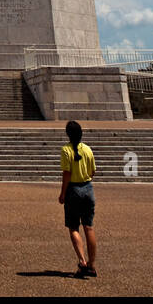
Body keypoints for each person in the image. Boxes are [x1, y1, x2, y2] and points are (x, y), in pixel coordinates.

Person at [58, 119, 97, 278]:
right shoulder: (87, 149)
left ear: (68, 134)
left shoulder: (66, 150)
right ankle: (92, 265)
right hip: (88, 188)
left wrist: (62, 193)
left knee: (74, 227)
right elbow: (93, 171)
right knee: (89, 227)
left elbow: (67, 174)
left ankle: (82, 262)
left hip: (73, 190)